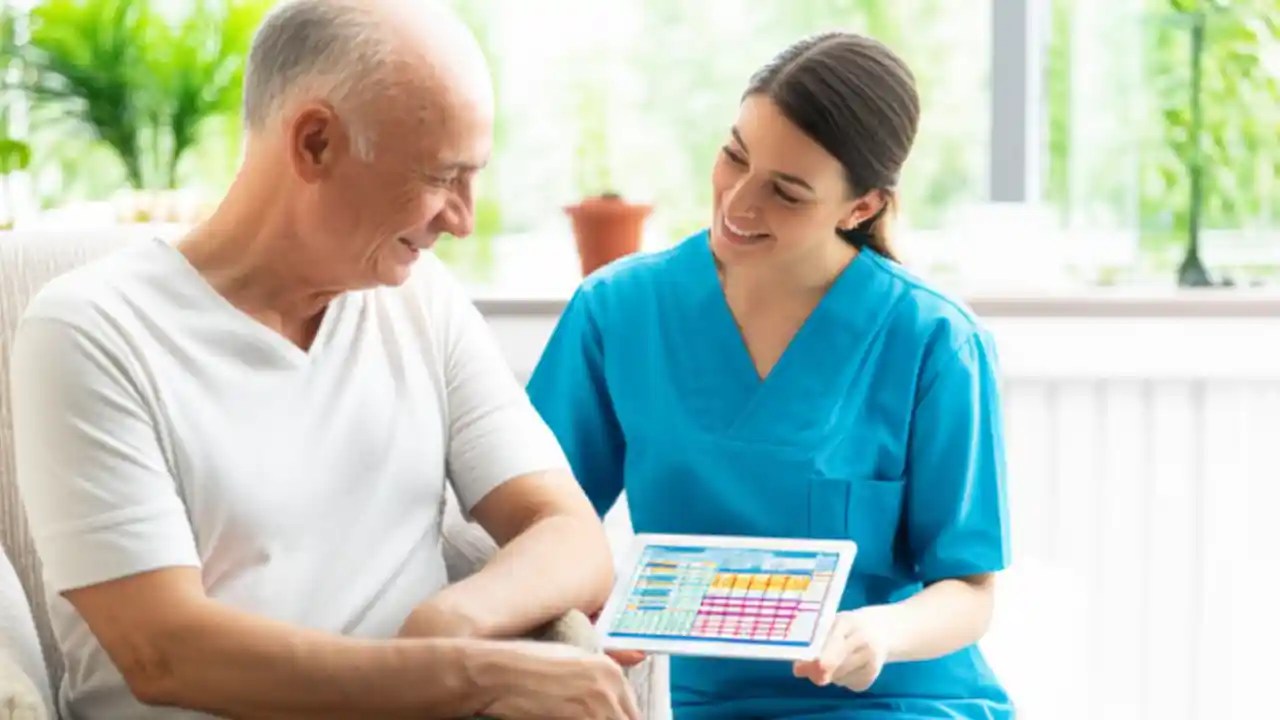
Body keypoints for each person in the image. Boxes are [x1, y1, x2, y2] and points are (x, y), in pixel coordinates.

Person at [9, 1, 639, 718]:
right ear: (315, 143)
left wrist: (447, 627)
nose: (463, 219)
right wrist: (471, 675)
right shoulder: (90, 330)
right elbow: (164, 652)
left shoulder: (421, 300)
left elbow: (569, 532)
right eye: (442, 177)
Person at [527, 31, 1013, 720]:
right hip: (688, 701)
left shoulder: (936, 341)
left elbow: (970, 589)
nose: (738, 204)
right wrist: (587, 609)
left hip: (892, 699)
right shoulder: (616, 313)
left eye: (786, 192)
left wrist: (879, 632)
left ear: (862, 207)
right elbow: (536, 519)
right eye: (735, 156)